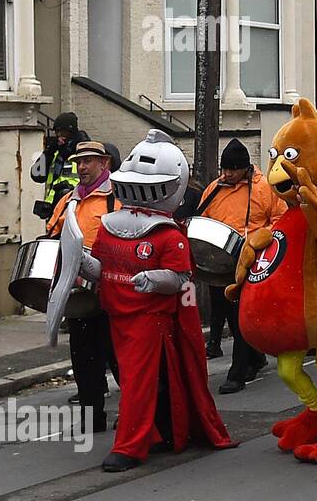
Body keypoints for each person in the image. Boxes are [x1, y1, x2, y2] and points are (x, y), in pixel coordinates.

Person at [79, 130, 234, 471]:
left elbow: (181, 280)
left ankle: (131, 445)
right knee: (147, 378)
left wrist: (152, 280)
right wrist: (80, 260)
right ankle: (161, 430)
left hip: (151, 318)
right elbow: (102, 267)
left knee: (138, 380)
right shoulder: (109, 226)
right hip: (117, 315)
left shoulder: (169, 234)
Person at [196, 139, 284, 394]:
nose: (227, 174)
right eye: (224, 169)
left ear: (245, 168)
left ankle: (237, 374)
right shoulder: (215, 188)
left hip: (251, 262)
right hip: (219, 263)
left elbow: (279, 219)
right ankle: (254, 358)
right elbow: (203, 220)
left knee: (241, 317)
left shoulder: (264, 188)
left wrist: (258, 238)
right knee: (228, 316)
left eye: (232, 170)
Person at [45, 140, 120, 429]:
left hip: (109, 290)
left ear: (105, 164)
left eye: (89, 160)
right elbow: (51, 235)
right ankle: (92, 416)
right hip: (77, 292)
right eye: (79, 161)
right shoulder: (68, 201)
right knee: (83, 357)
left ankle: (132, 413)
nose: (82, 167)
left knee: (118, 357)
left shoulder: (117, 197)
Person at [31, 111, 88, 220]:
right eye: (57, 132)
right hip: (54, 211)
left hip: (75, 209)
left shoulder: (83, 153)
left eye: (62, 132)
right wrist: (49, 151)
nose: (58, 135)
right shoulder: (56, 152)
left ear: (71, 132)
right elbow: (36, 175)